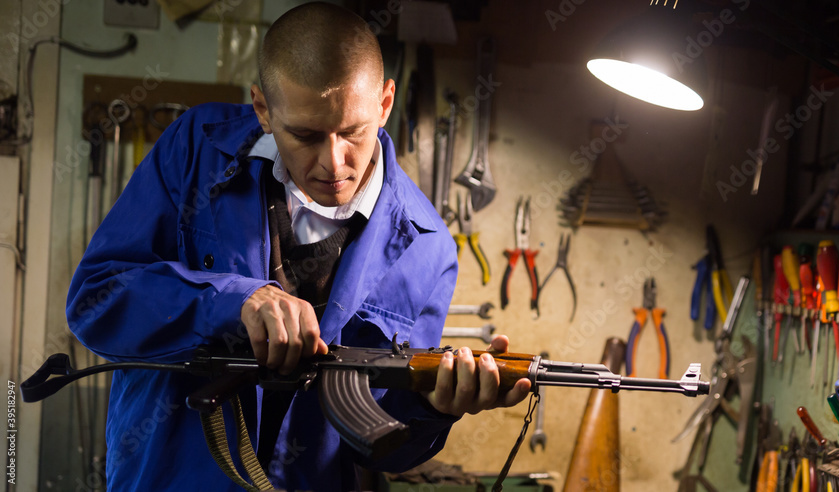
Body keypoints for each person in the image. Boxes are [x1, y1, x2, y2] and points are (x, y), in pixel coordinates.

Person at [66, 3, 530, 490]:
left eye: (352, 132)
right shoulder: (197, 149)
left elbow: (387, 449)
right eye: (305, 136)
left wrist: (434, 408)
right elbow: (94, 302)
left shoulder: (428, 248)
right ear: (263, 109)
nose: (334, 162)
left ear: (385, 104)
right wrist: (233, 301)